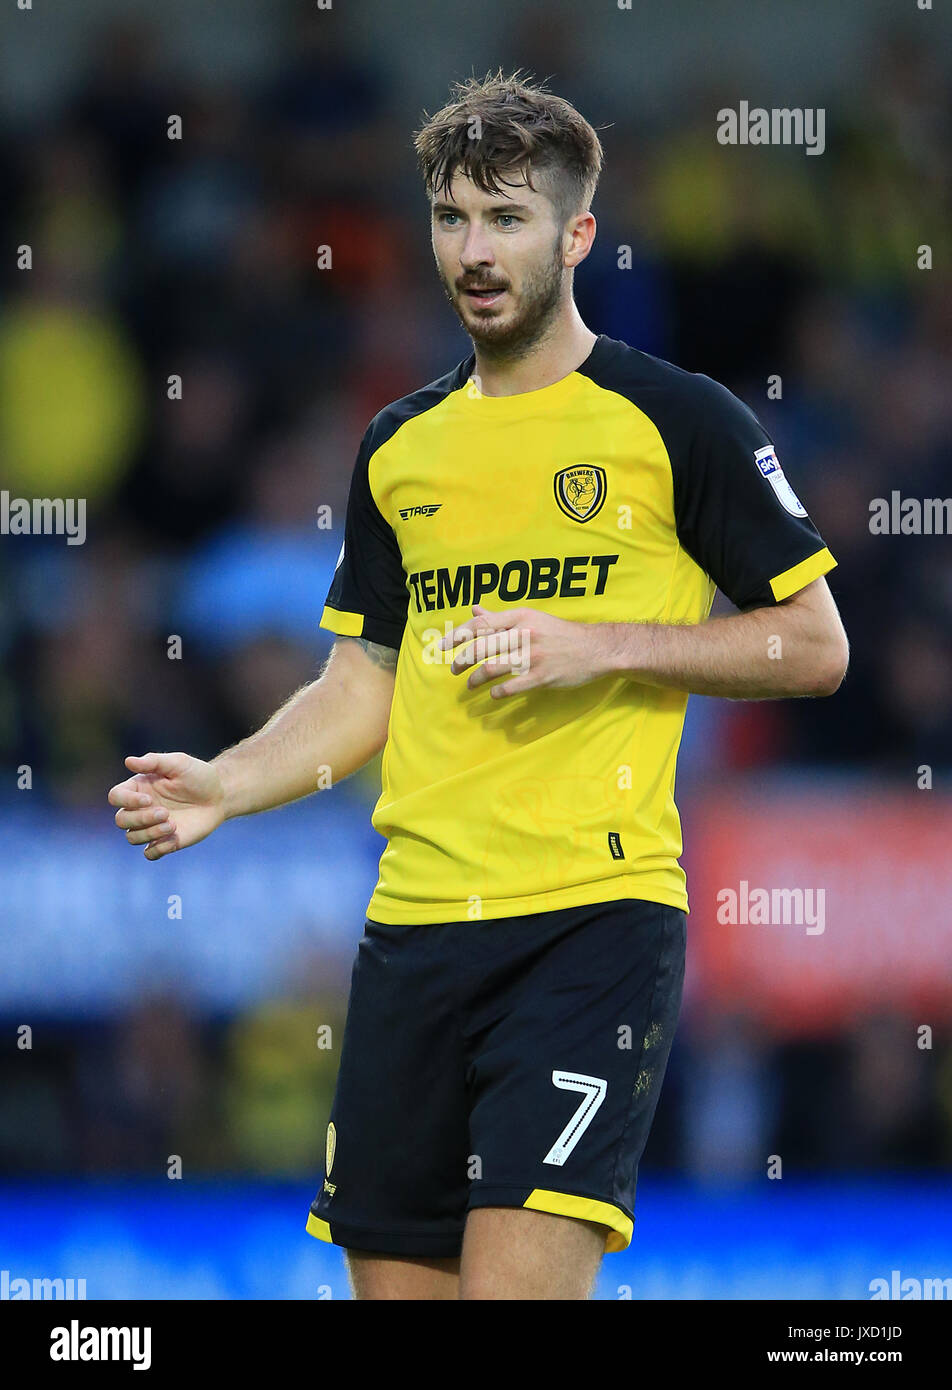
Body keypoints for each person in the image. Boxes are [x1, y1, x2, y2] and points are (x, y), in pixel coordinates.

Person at [108, 70, 849, 1300]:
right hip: (411, 933)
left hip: (590, 922)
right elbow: (363, 684)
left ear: (575, 236)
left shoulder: (677, 422)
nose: (474, 249)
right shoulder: (400, 445)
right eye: (453, 218)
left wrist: (603, 641)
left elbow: (813, 645)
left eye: (506, 219)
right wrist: (227, 784)